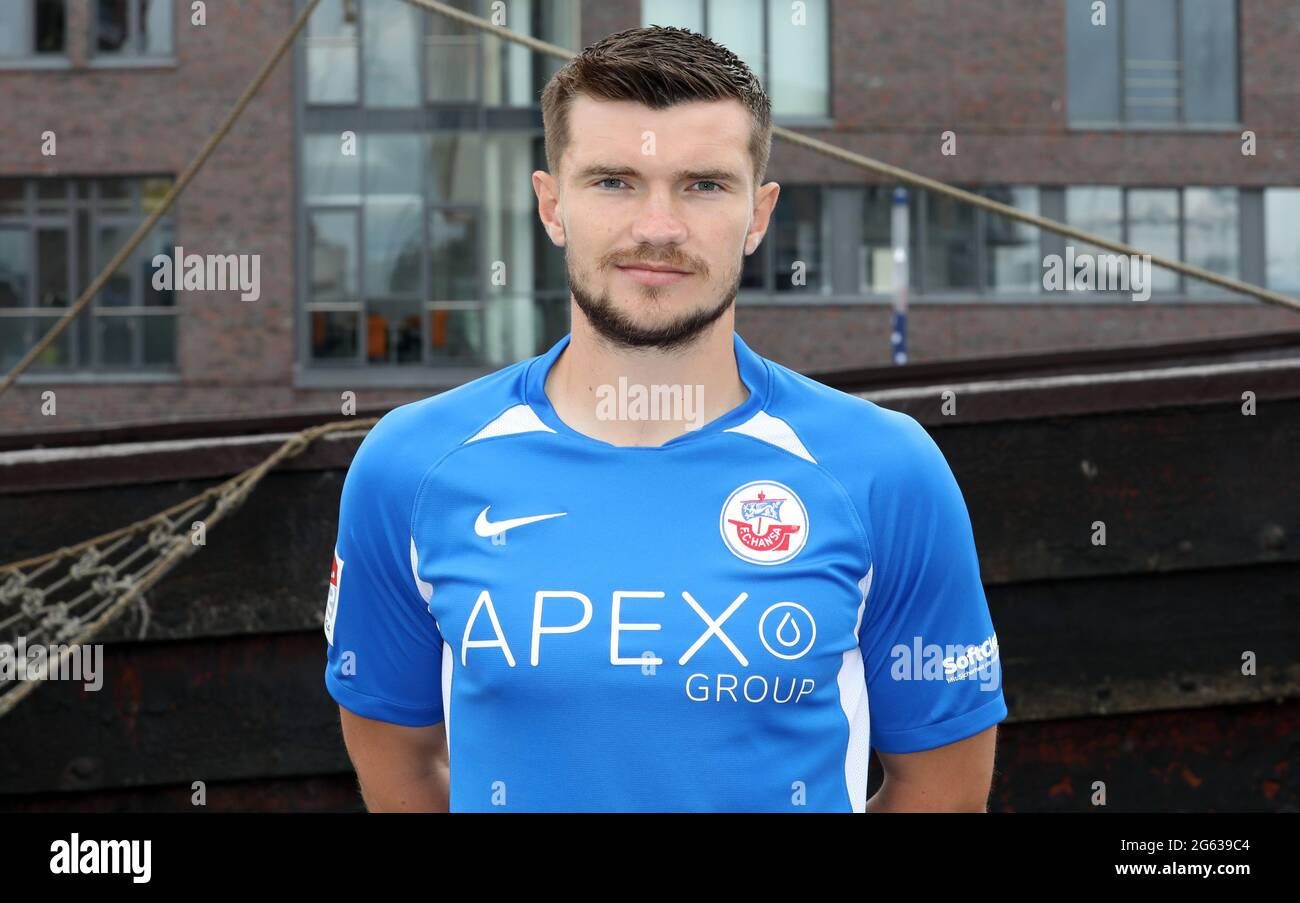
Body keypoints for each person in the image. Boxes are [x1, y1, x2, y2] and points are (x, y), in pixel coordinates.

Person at [324, 25, 1006, 812]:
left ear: (758, 214)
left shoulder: (887, 471)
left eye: (703, 185)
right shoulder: (410, 467)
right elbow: (399, 768)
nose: (658, 227)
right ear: (551, 205)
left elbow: (945, 793)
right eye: (614, 181)